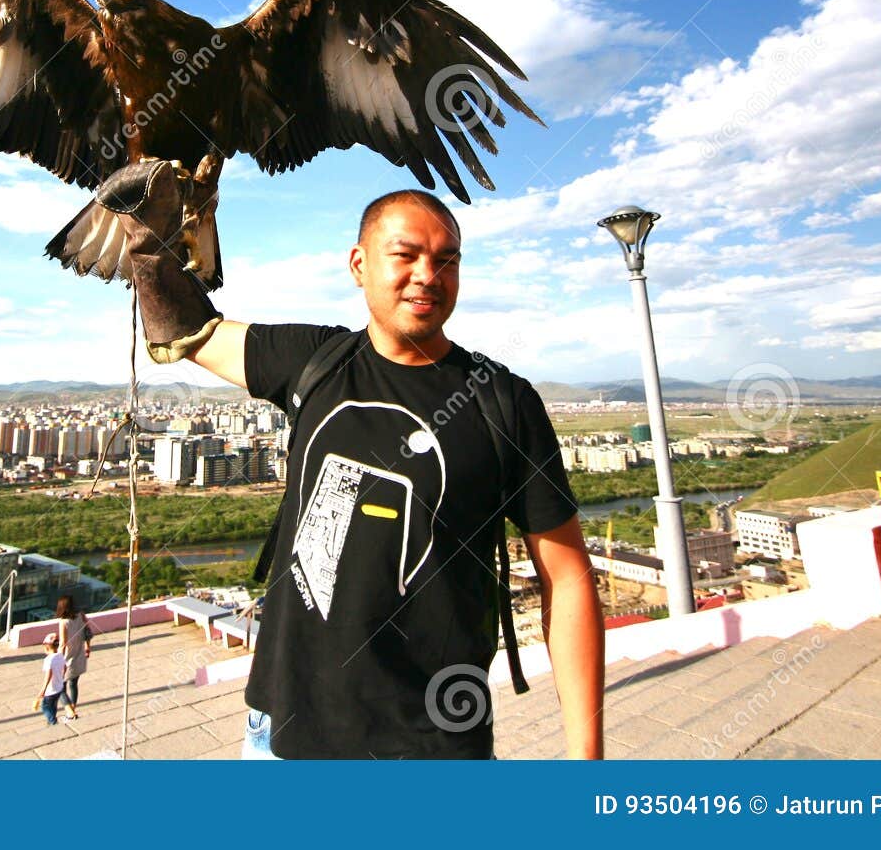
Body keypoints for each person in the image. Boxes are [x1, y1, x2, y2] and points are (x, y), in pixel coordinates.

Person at [104, 160, 605, 759]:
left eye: (447, 260)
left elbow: (568, 577)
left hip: (435, 748)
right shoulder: (314, 361)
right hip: (284, 734)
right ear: (359, 265)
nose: (428, 275)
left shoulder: (503, 401)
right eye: (407, 255)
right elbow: (187, 331)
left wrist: (586, 759)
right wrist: (149, 241)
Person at [56, 594, 93, 720]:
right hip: (80, 654)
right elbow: (88, 632)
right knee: (73, 684)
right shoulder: (81, 616)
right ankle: (73, 709)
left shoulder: (63, 622)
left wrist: (58, 659)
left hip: (68, 656)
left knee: (59, 686)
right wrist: (88, 646)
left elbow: (62, 643)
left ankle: (69, 710)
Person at [34, 634, 67, 725]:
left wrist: (43, 689)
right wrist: (62, 676)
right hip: (59, 687)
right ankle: (51, 720)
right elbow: (65, 666)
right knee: (53, 705)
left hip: (50, 689)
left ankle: (53, 721)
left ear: (47, 647)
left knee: (45, 707)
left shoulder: (48, 660)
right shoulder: (60, 655)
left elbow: (49, 674)